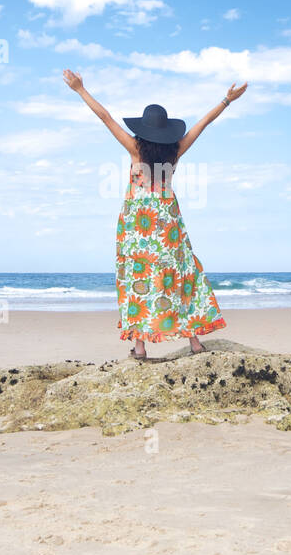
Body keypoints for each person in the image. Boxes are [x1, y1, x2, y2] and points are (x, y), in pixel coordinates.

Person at [63, 69, 247, 359]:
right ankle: (195, 342)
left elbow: (105, 117)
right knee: (180, 275)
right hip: (168, 225)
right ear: (167, 131)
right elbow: (204, 123)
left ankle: (140, 348)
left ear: (143, 130)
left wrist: (80, 89)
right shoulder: (176, 151)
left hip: (138, 226)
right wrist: (227, 100)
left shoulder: (134, 148)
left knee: (139, 279)